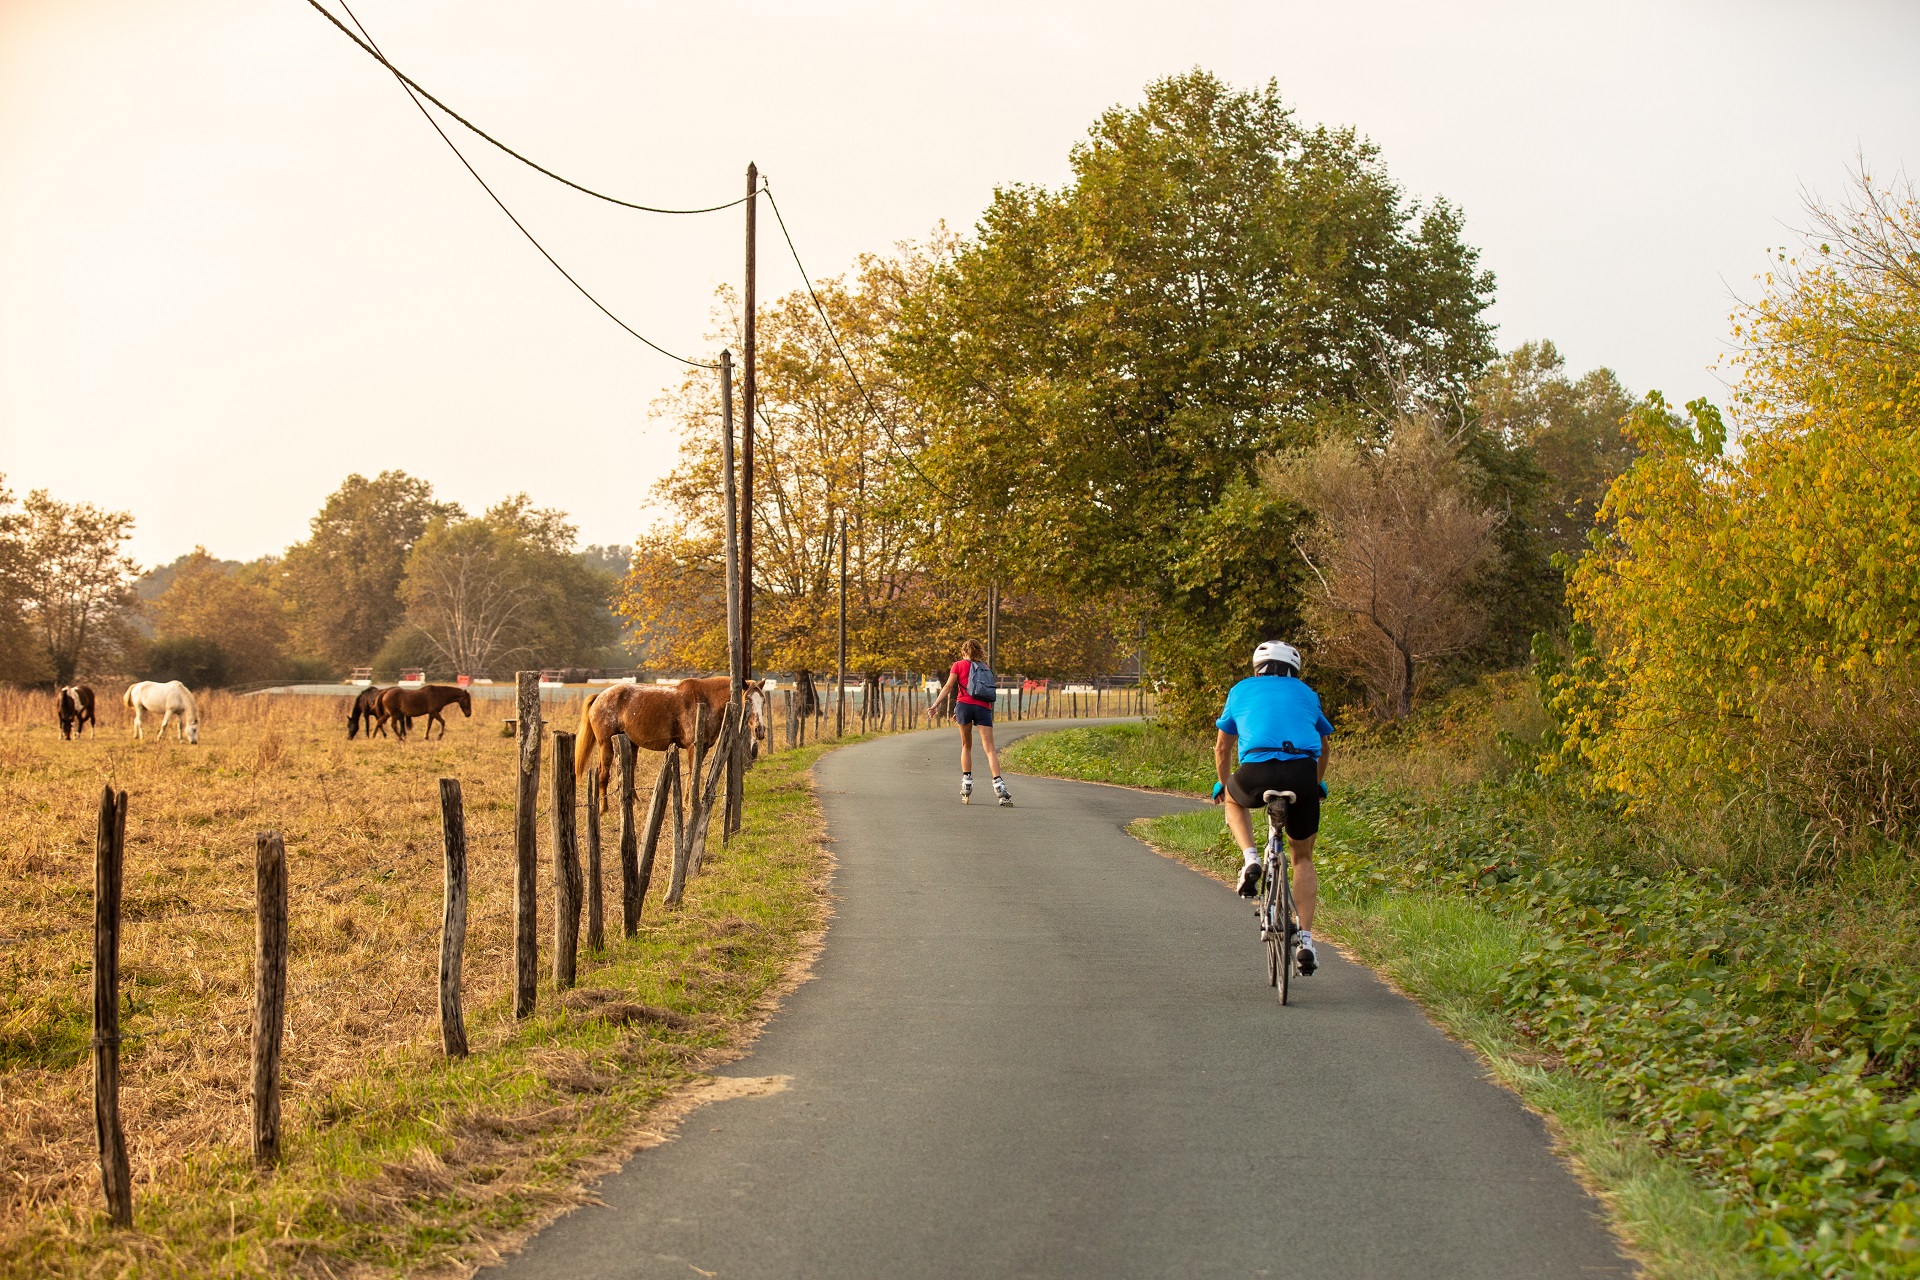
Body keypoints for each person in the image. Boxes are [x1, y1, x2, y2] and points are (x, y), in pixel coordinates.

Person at [1211, 640, 1332, 975]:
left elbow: (1223, 748)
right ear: (1294, 670)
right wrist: (1317, 784)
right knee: (1303, 857)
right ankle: (1306, 941)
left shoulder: (1241, 690)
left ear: (1257, 668)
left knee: (1234, 801)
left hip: (1255, 773)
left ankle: (1250, 858)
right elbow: (1323, 747)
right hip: (1301, 773)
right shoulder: (1307, 693)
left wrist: (1223, 784)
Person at [933, 638, 1012, 806]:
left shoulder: (958, 665)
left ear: (964, 652)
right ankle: (999, 786)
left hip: (964, 707)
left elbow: (948, 687)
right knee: (990, 749)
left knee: (966, 746)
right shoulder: (985, 667)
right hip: (983, 707)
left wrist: (935, 705)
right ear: (979, 652)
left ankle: (967, 783)